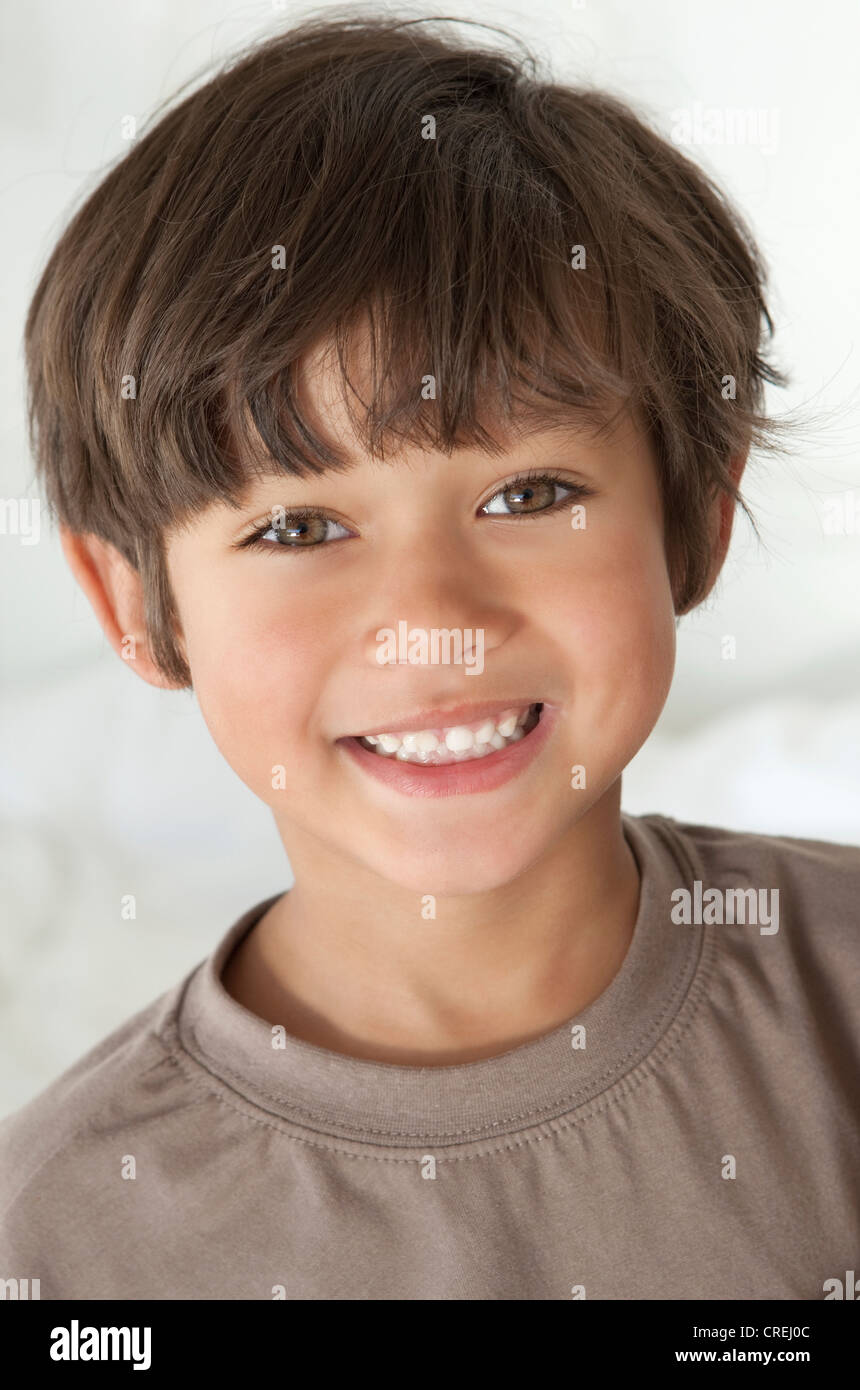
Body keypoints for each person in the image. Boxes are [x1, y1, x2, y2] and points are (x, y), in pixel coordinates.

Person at [2, 11, 858, 1300]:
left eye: (526, 497)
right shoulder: (60, 1245)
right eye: (298, 526)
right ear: (131, 600)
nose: (431, 618)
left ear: (698, 513)